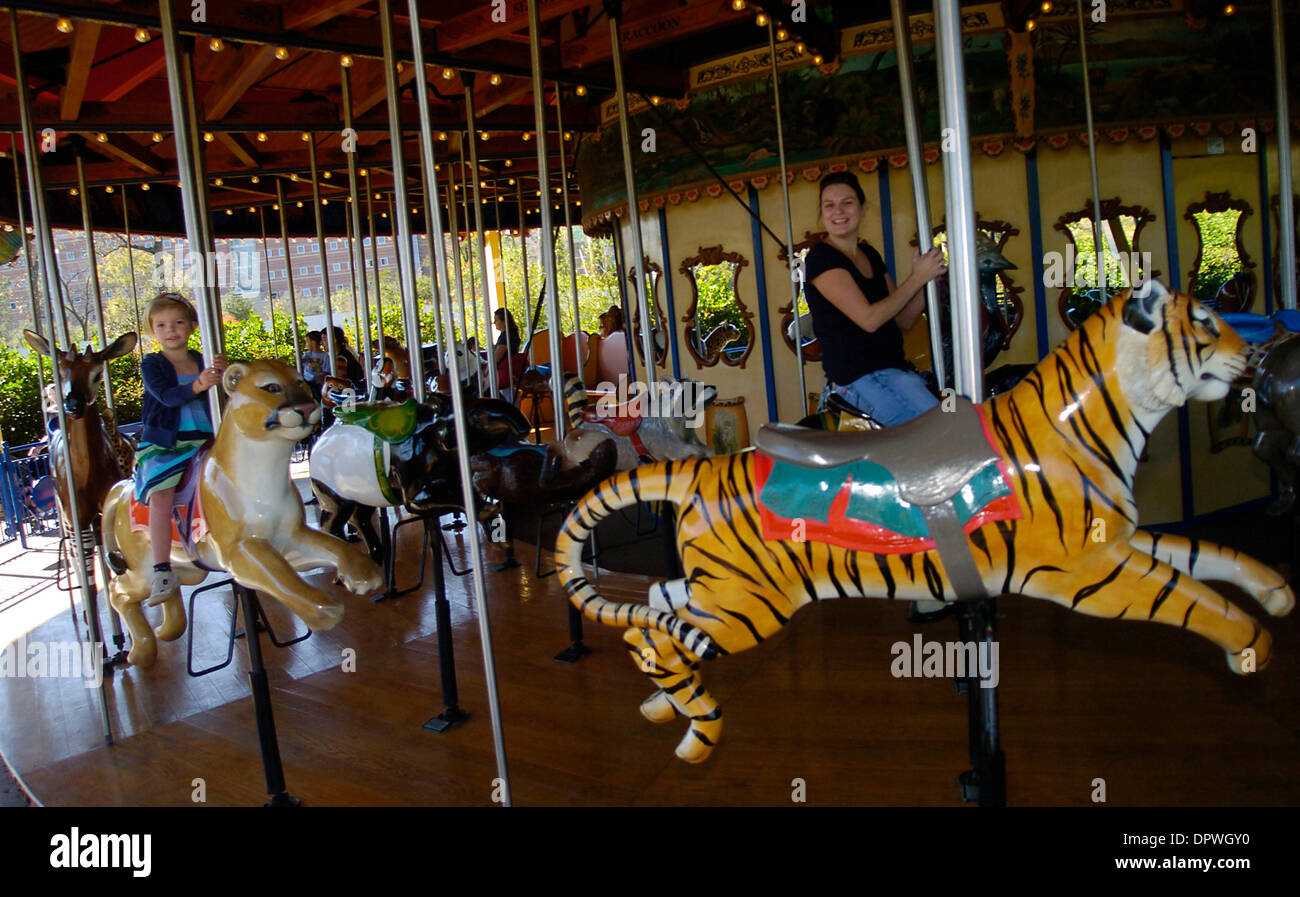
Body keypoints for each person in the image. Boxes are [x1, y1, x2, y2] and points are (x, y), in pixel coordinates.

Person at [804, 171, 946, 426]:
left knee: (948, 425)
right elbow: (869, 319)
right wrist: (915, 278)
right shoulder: (821, 258)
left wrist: (929, 282)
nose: (838, 211)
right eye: (829, 205)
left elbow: (903, 319)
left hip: (893, 370)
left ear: (863, 208)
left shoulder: (869, 253)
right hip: (857, 379)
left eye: (847, 202)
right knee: (929, 434)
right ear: (821, 213)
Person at [134, 293, 226, 604]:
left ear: (192, 326)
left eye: (177, 323)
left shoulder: (202, 359)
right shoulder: (153, 363)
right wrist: (199, 384)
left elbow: (225, 395)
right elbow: (167, 396)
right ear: (152, 331)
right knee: (162, 497)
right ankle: (162, 568)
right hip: (167, 443)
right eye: (161, 325)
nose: (170, 330)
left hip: (205, 438)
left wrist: (224, 375)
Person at [493, 307, 526, 399]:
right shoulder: (511, 334)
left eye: (496, 320)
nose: (494, 322)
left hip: (506, 373)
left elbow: (497, 357)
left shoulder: (505, 337)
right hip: (511, 373)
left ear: (503, 321)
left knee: (507, 400)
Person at [300, 331, 329, 397]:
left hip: (318, 381)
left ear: (313, 342)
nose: (306, 344)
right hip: (307, 380)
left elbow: (326, 370)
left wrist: (321, 377)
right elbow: (301, 362)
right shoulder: (307, 354)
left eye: (307, 342)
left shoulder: (325, 356)